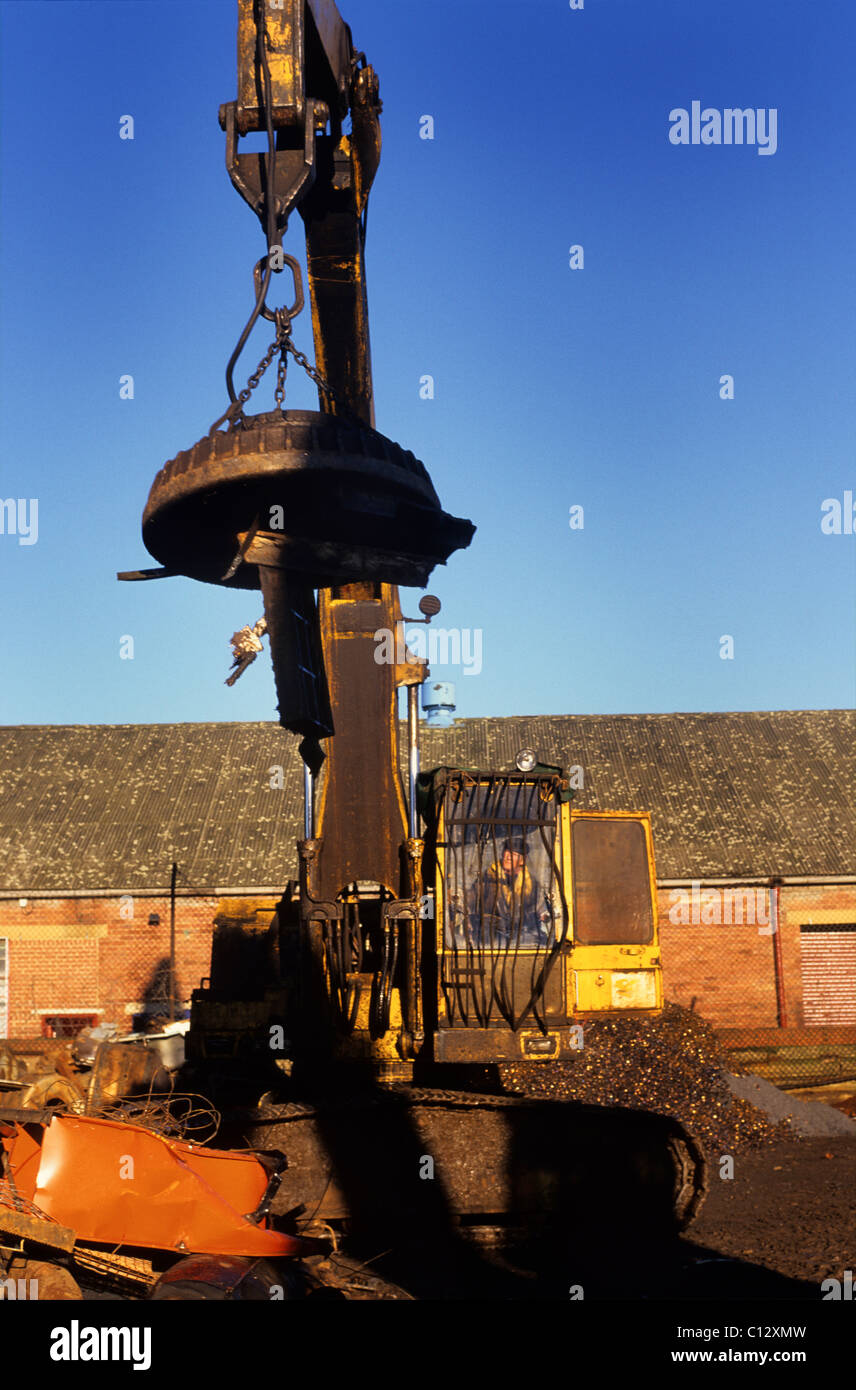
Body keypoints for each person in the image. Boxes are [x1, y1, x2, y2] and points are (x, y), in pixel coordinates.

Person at [466, 836, 552, 946]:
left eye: (514, 854)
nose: (508, 857)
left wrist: (544, 915)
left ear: (522, 860)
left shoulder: (532, 884)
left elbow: (541, 908)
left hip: (521, 940)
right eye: (506, 852)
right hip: (490, 940)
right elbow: (468, 904)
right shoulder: (486, 878)